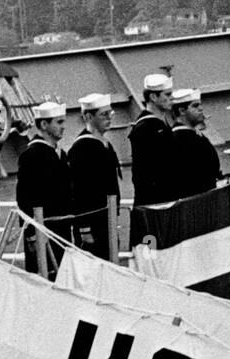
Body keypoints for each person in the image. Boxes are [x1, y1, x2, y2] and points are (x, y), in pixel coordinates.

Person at [16, 101, 73, 276]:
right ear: (43, 125)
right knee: (45, 278)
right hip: (43, 232)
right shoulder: (32, 155)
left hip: (61, 229)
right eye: (59, 122)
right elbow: (25, 198)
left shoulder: (60, 154)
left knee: (62, 277)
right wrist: (32, 235)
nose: (63, 127)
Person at [68, 93, 122, 259]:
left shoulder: (105, 144)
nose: (109, 118)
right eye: (104, 114)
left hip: (107, 218)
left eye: (110, 113)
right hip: (92, 224)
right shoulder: (82, 148)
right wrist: (84, 229)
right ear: (88, 117)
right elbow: (78, 191)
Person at [129, 73, 176, 205]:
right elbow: (146, 173)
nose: (172, 98)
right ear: (153, 97)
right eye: (167, 94)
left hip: (167, 198)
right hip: (155, 201)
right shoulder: (145, 128)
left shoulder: (161, 124)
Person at [169, 88, 222, 197]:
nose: (201, 108)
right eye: (195, 106)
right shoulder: (182, 139)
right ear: (182, 111)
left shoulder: (193, 136)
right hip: (198, 198)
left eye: (200, 105)